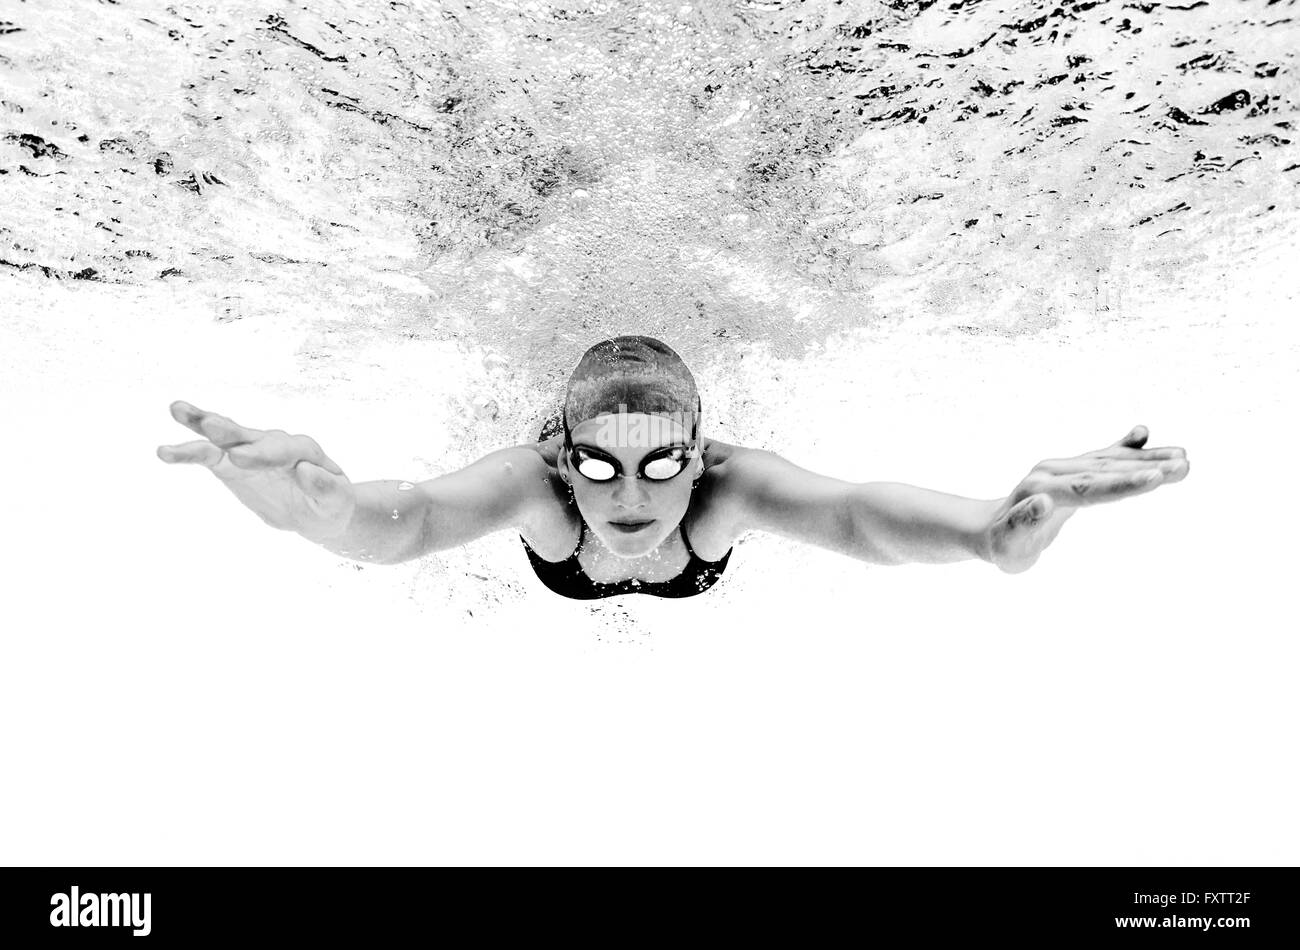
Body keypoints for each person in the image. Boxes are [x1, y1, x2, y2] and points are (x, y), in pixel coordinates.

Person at [156, 335, 1189, 600]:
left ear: (702, 451)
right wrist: (313, 512)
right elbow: (410, 524)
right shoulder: (534, 483)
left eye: (665, 464)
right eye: (598, 469)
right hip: (560, 572)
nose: (636, 496)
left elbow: (854, 515)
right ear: (564, 454)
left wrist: (984, 533)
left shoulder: (729, 486)